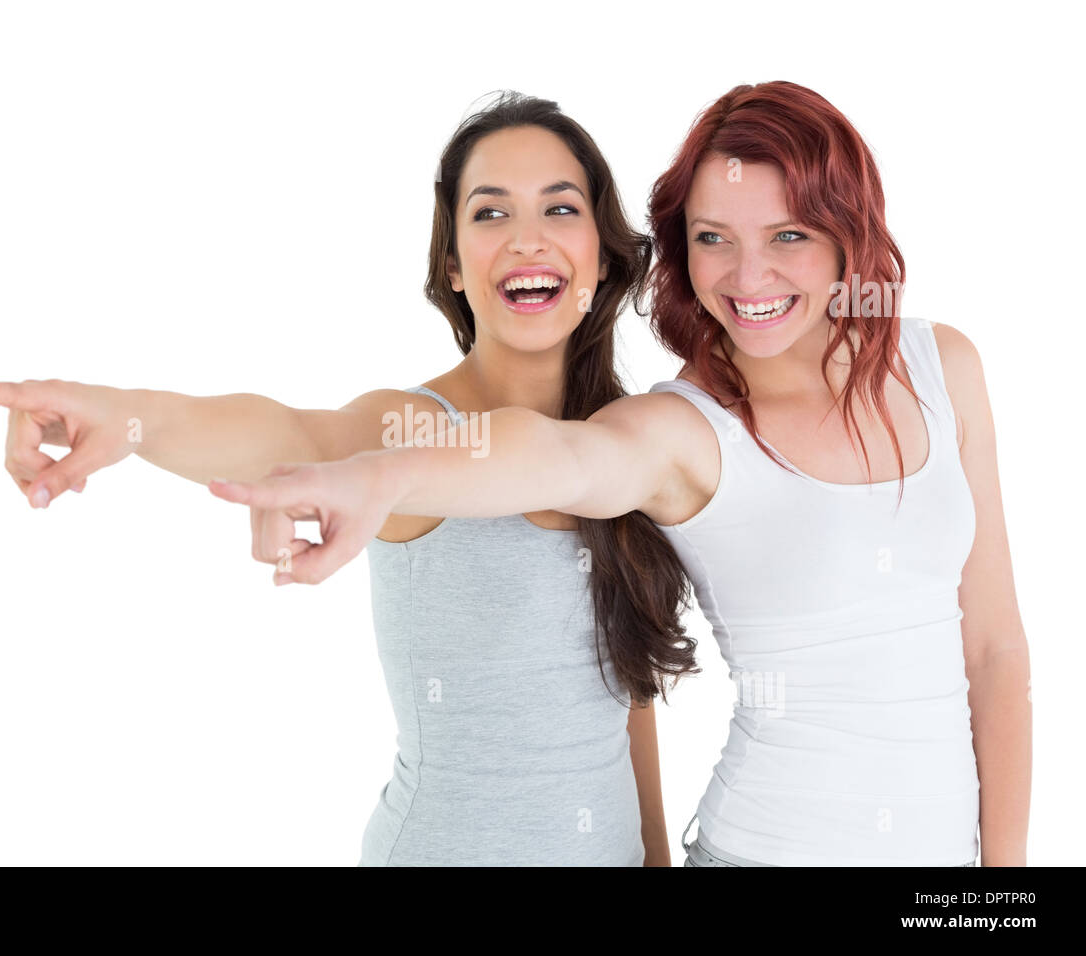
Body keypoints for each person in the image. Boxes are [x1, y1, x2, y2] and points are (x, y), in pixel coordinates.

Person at [211, 82, 1031, 867]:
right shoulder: (681, 424)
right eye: (714, 238)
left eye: (789, 235)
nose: (749, 277)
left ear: (847, 230)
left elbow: (995, 650)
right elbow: (556, 456)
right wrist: (380, 475)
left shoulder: (940, 365)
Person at [0, 92, 697, 866]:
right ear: (453, 264)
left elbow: (629, 697)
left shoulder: (626, 443)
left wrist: (652, 854)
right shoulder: (410, 432)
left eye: (559, 208)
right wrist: (135, 417)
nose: (527, 240)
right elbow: (294, 433)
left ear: (603, 254)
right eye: (490, 214)